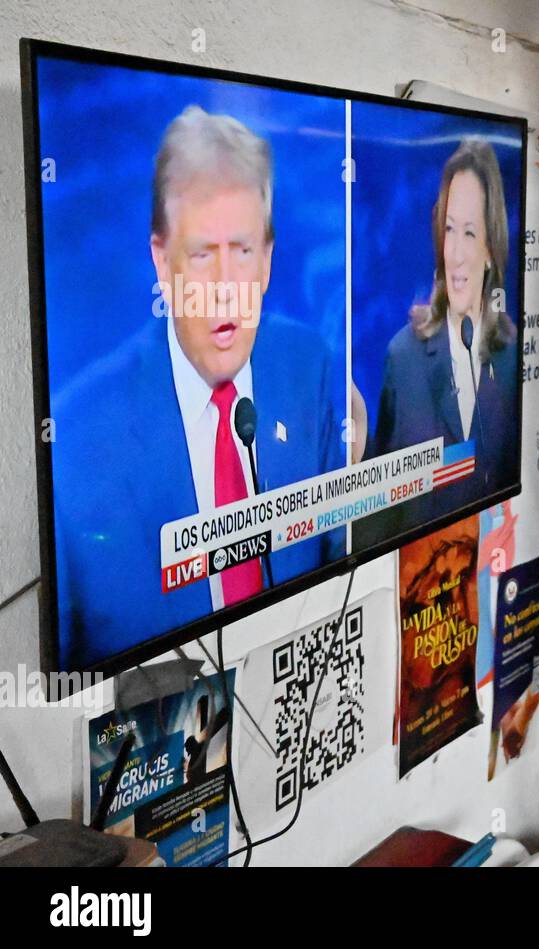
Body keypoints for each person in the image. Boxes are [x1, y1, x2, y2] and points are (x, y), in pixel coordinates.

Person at [52, 105, 345, 672]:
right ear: (162, 262)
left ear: (268, 260)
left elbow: (339, 566)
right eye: (203, 255)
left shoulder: (306, 365)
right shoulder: (76, 441)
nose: (225, 287)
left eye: (242, 251)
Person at [361, 139, 520, 545]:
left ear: (490, 248)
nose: (457, 254)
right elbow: (380, 510)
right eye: (449, 230)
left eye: (469, 232)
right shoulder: (403, 358)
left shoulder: (512, 359)